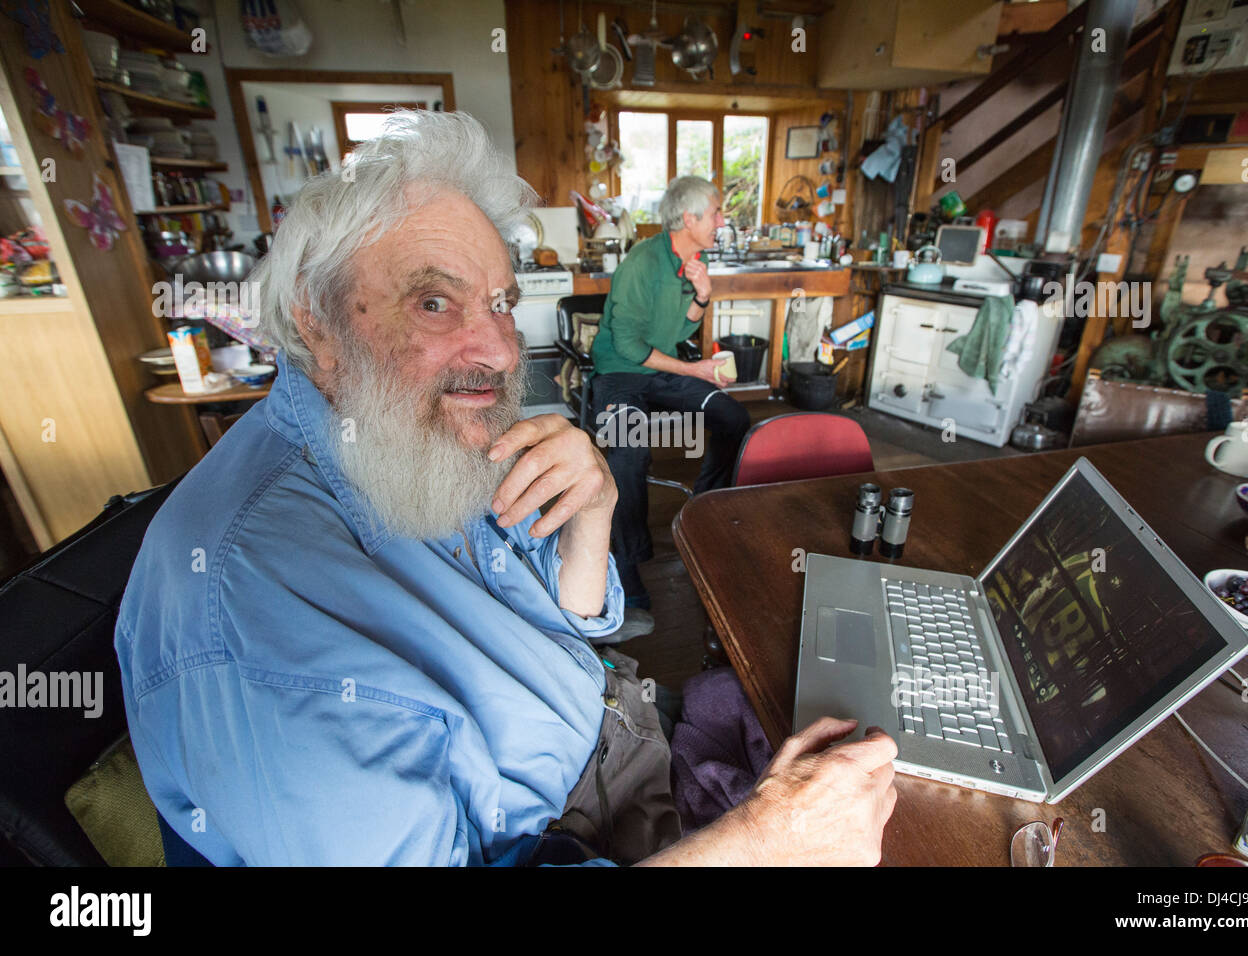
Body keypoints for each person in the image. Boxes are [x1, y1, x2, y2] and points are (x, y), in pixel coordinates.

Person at [114, 111, 896, 866]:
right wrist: (763, 845)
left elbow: (567, 622)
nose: (496, 348)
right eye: (432, 301)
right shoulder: (253, 606)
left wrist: (594, 515)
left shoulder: (414, 431)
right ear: (313, 320)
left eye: (500, 304)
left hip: (614, 726)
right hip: (567, 831)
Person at [590, 176, 752, 619]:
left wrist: (703, 295)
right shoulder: (642, 263)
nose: (722, 220)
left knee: (733, 419)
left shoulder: (692, 260)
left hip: (661, 370)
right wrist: (694, 369)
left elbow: (679, 332)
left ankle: (704, 510)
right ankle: (628, 563)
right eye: (716, 213)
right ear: (689, 218)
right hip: (620, 373)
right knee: (626, 451)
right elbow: (627, 346)